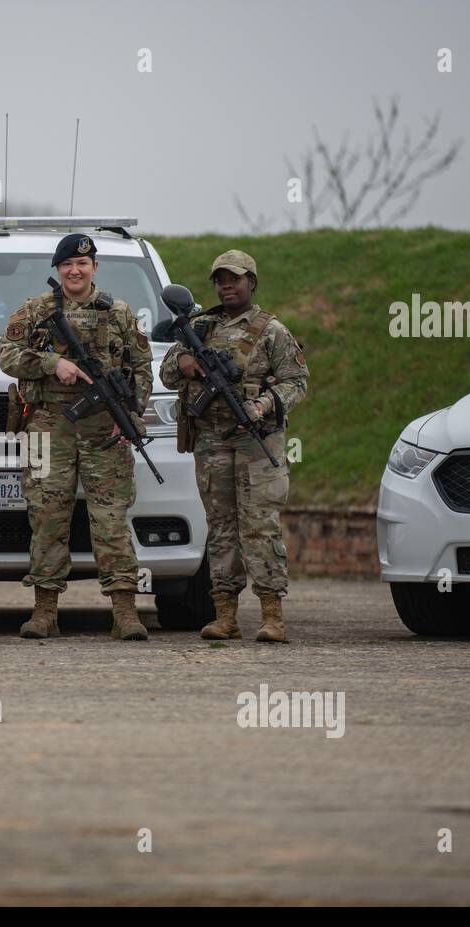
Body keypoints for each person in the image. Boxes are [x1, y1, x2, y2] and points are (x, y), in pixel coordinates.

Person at [0, 233, 153, 640]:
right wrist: (52, 363)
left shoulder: (118, 313)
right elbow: (6, 354)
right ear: (58, 269)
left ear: (94, 268)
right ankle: (45, 611)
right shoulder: (36, 310)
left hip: (105, 429)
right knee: (47, 518)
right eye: (67, 264)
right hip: (50, 426)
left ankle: (124, 612)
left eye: (83, 264)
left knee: (111, 521)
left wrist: (130, 413)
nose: (75, 270)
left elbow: (141, 368)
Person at [158, 249, 309, 642]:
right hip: (210, 441)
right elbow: (168, 370)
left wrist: (262, 404)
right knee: (221, 528)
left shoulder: (272, 331)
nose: (227, 285)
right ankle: (225, 614)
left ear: (251, 282)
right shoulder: (199, 326)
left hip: (256, 443)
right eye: (220, 279)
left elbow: (297, 382)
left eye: (235, 278)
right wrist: (188, 362)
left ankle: (272, 615)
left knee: (260, 527)